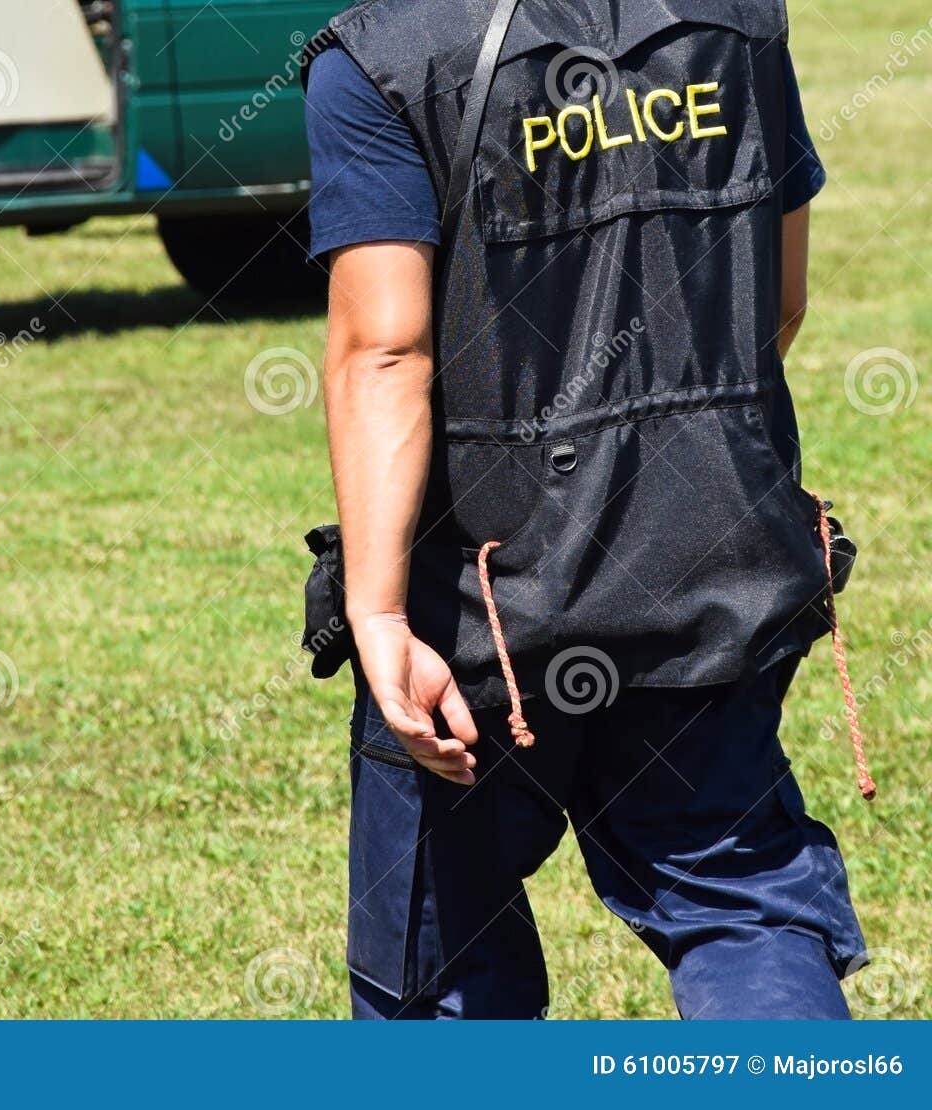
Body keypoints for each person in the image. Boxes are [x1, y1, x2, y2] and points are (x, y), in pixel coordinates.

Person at [303, 0, 872, 1019]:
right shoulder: (739, 21)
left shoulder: (376, 59)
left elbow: (384, 350)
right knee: (744, 913)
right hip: (716, 570)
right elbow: (776, 301)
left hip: (479, 613)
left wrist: (378, 614)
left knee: (440, 970)